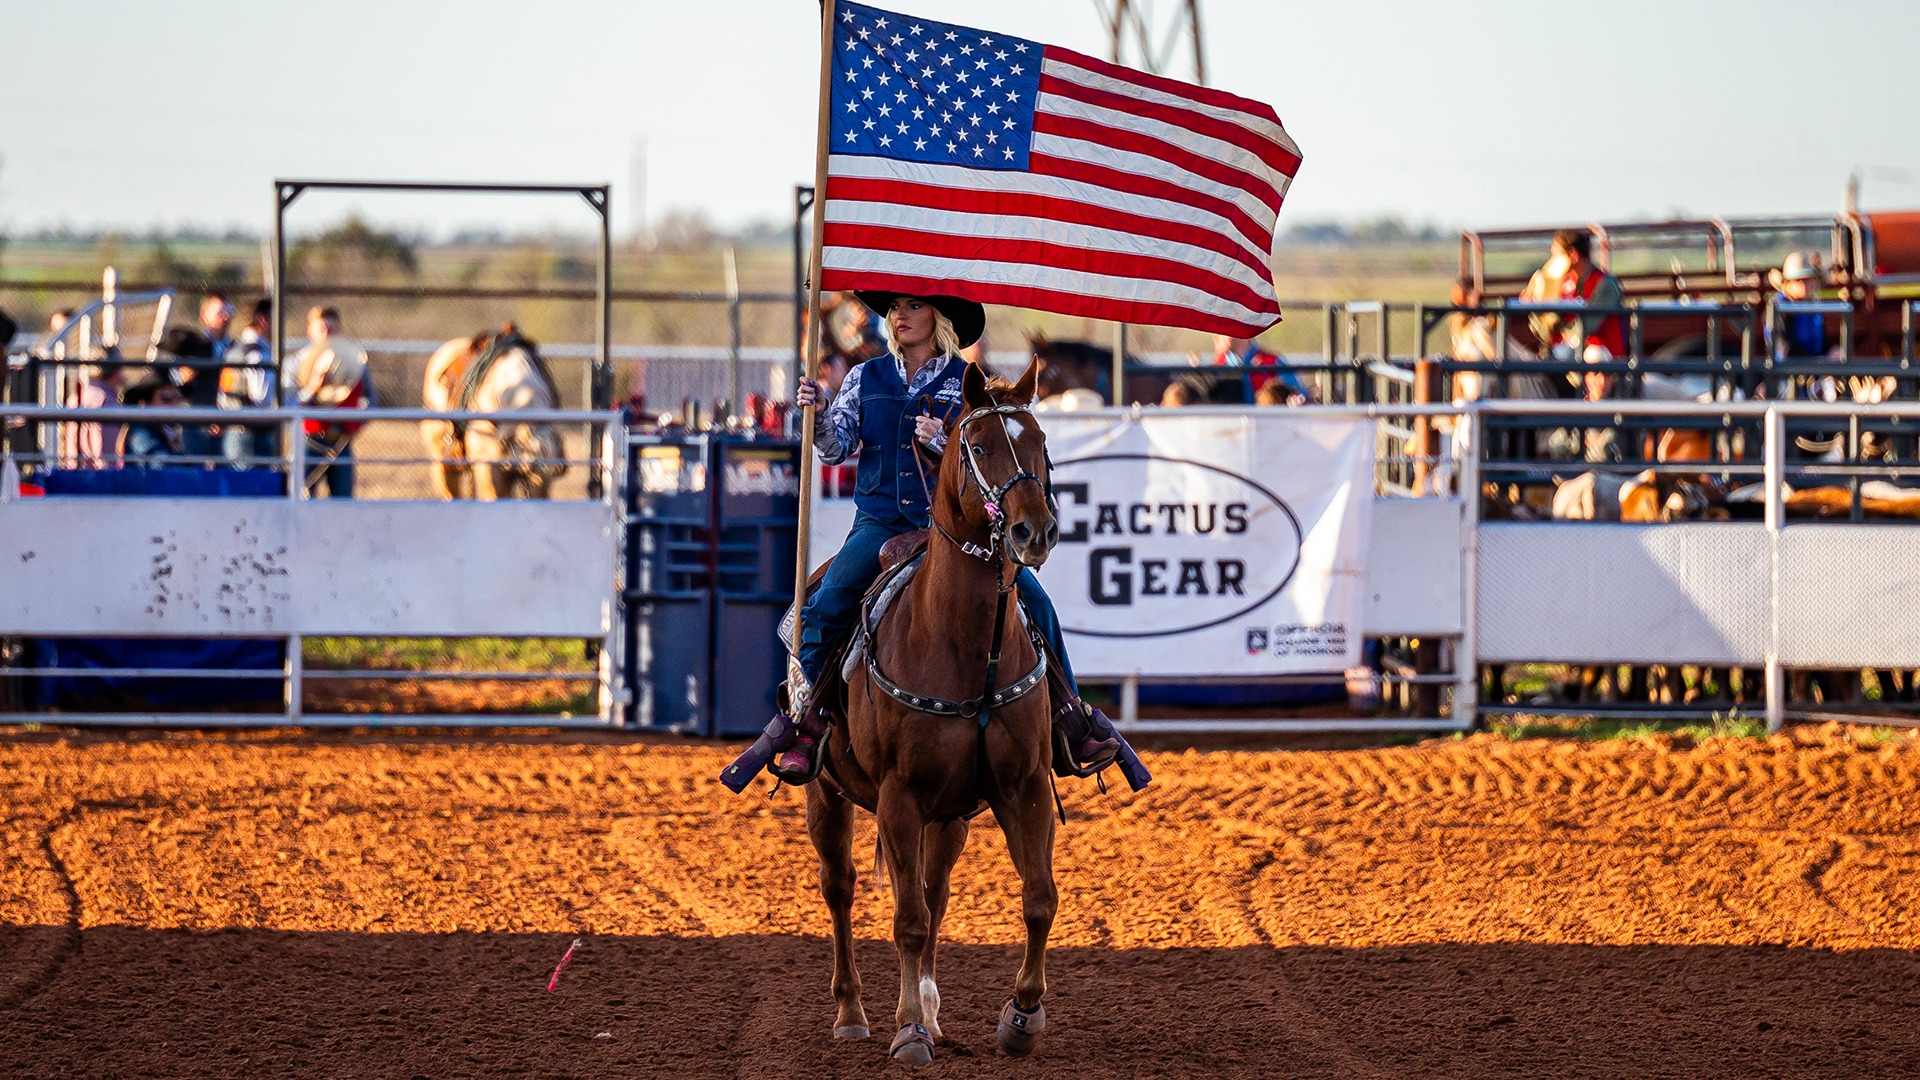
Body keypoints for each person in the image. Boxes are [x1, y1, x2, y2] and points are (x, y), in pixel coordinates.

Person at [781, 291, 1120, 781]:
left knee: (1038, 606)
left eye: (913, 307)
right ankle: (807, 722)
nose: (899, 315)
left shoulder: (970, 385)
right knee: (826, 603)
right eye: (895, 307)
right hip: (878, 524)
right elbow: (837, 449)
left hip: (958, 530)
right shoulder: (863, 378)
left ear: (937, 319)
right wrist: (816, 416)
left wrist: (943, 444)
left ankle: (1070, 719)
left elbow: (992, 459)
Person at [1526, 229, 1625, 401]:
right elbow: (1546, 333)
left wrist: (1554, 319)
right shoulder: (1563, 283)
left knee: (1593, 356)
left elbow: (1586, 327)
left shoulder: (1604, 284)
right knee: (1550, 359)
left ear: (1572, 255)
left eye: (1556, 255)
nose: (1551, 262)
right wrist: (1535, 309)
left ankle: (1603, 414)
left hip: (1602, 352)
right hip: (1568, 351)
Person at [288, 306, 372, 497]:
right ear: (310, 331)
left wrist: (359, 422)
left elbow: (370, 398)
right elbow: (288, 403)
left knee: (343, 500)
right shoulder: (296, 362)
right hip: (309, 441)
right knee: (302, 497)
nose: (327, 334)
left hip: (341, 441)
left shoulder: (356, 361)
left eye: (332, 329)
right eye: (322, 329)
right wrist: (311, 389)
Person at [219, 298, 277, 467]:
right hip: (252, 437)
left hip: (232, 432)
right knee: (257, 489)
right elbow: (262, 398)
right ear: (263, 320)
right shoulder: (258, 355)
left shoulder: (233, 350)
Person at [1210, 334, 1308, 404]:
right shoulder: (1219, 365)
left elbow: (1299, 395)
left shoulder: (1272, 362)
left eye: (1224, 327)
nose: (1215, 336)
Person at [119, 375, 187, 465]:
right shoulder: (141, 432)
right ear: (146, 403)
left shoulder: (165, 430)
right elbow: (159, 469)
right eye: (166, 398)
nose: (174, 404)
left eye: (178, 396)